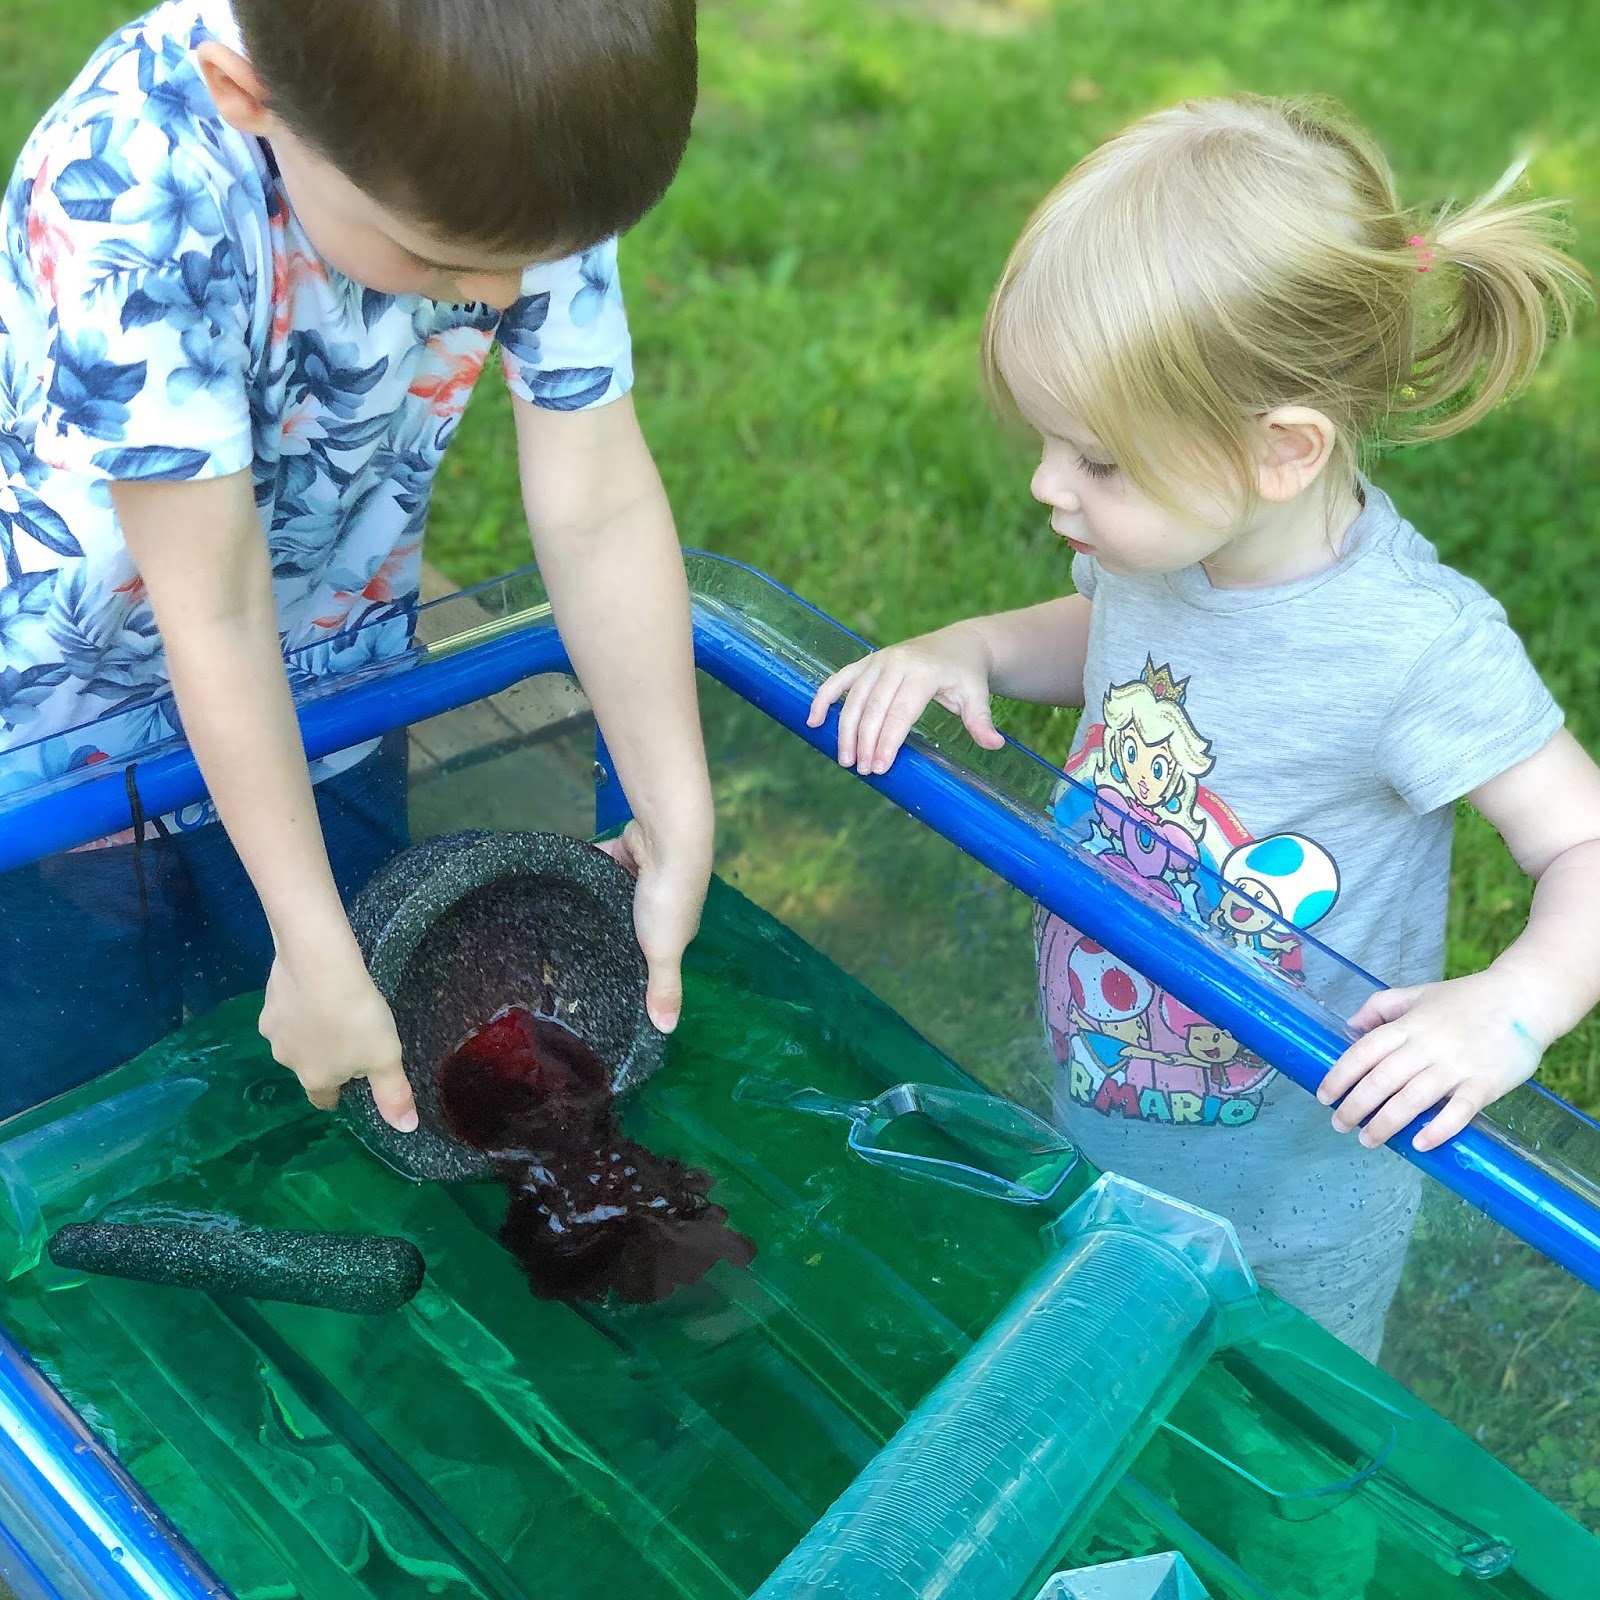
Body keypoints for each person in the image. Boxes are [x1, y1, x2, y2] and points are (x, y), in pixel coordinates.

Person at [809, 94, 1600, 1357]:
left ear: (1282, 449)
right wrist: (971, 648)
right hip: (1110, 1082)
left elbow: (1585, 848)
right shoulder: (1170, 545)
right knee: (1120, 1376)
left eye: (1097, 461)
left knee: (1277, 1442)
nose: (1044, 484)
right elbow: (1111, 652)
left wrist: (1507, 1010)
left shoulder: (1415, 647)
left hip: (1304, 1188)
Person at [0, 0, 713, 1127]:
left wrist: (676, 809)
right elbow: (213, 608)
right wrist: (308, 930)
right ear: (251, 102)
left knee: (346, 1049)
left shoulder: (525, 129)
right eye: (440, 257)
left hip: (330, 675)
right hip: (61, 732)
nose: (499, 299)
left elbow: (597, 509)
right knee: (76, 1080)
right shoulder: (135, 183)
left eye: (533, 263)